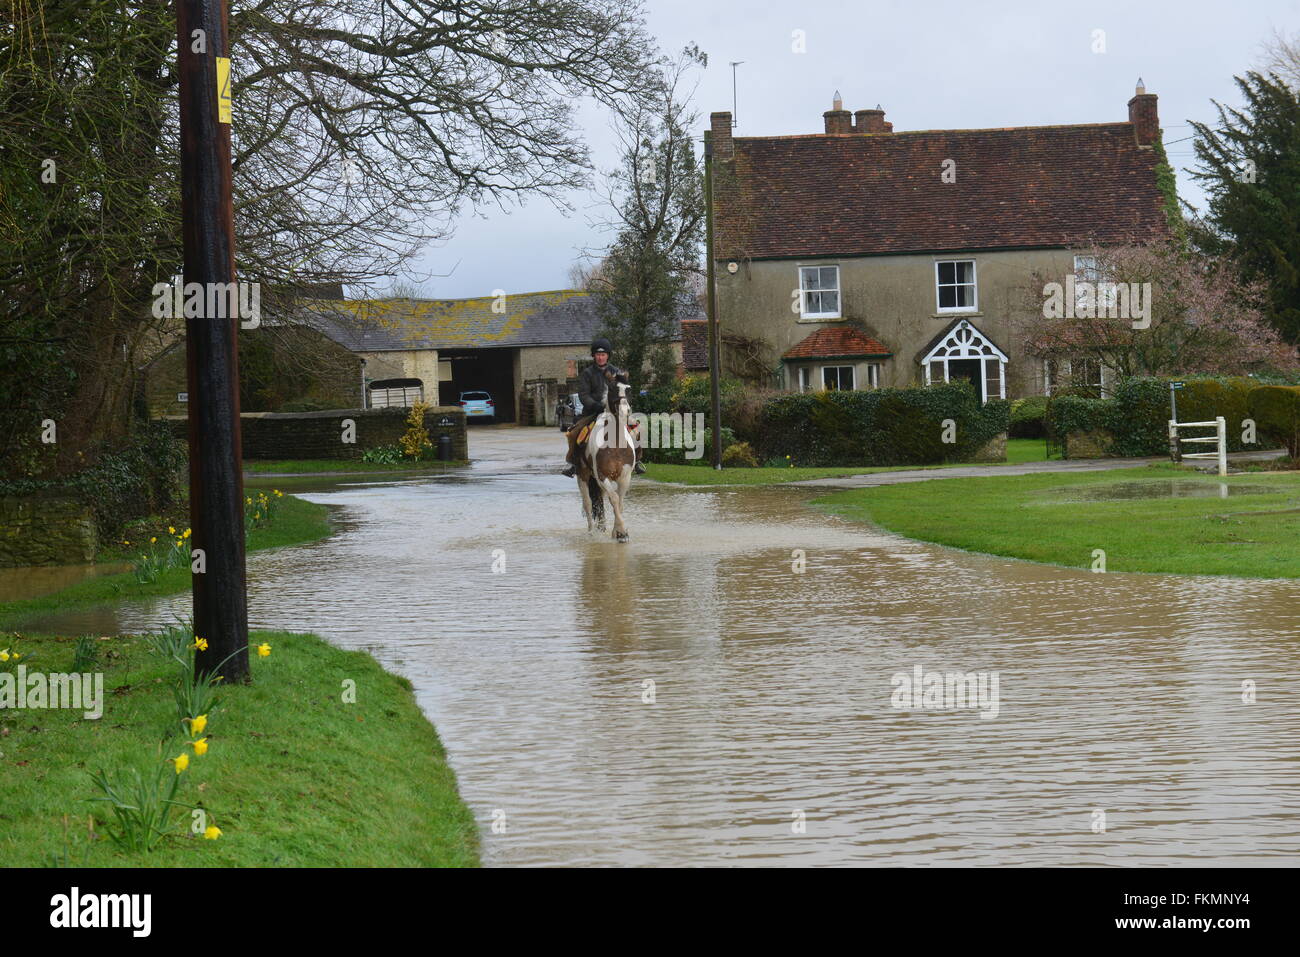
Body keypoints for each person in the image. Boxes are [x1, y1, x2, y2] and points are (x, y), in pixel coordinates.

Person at [561, 338, 646, 477]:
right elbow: (583, 394)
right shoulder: (587, 373)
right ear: (594, 356)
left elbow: (624, 391)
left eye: (603, 354)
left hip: (616, 412)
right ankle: (573, 463)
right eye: (598, 355)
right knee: (574, 433)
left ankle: (637, 461)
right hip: (592, 412)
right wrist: (595, 405)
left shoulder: (616, 372)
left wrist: (623, 405)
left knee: (638, 430)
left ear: (608, 355)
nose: (600, 357)